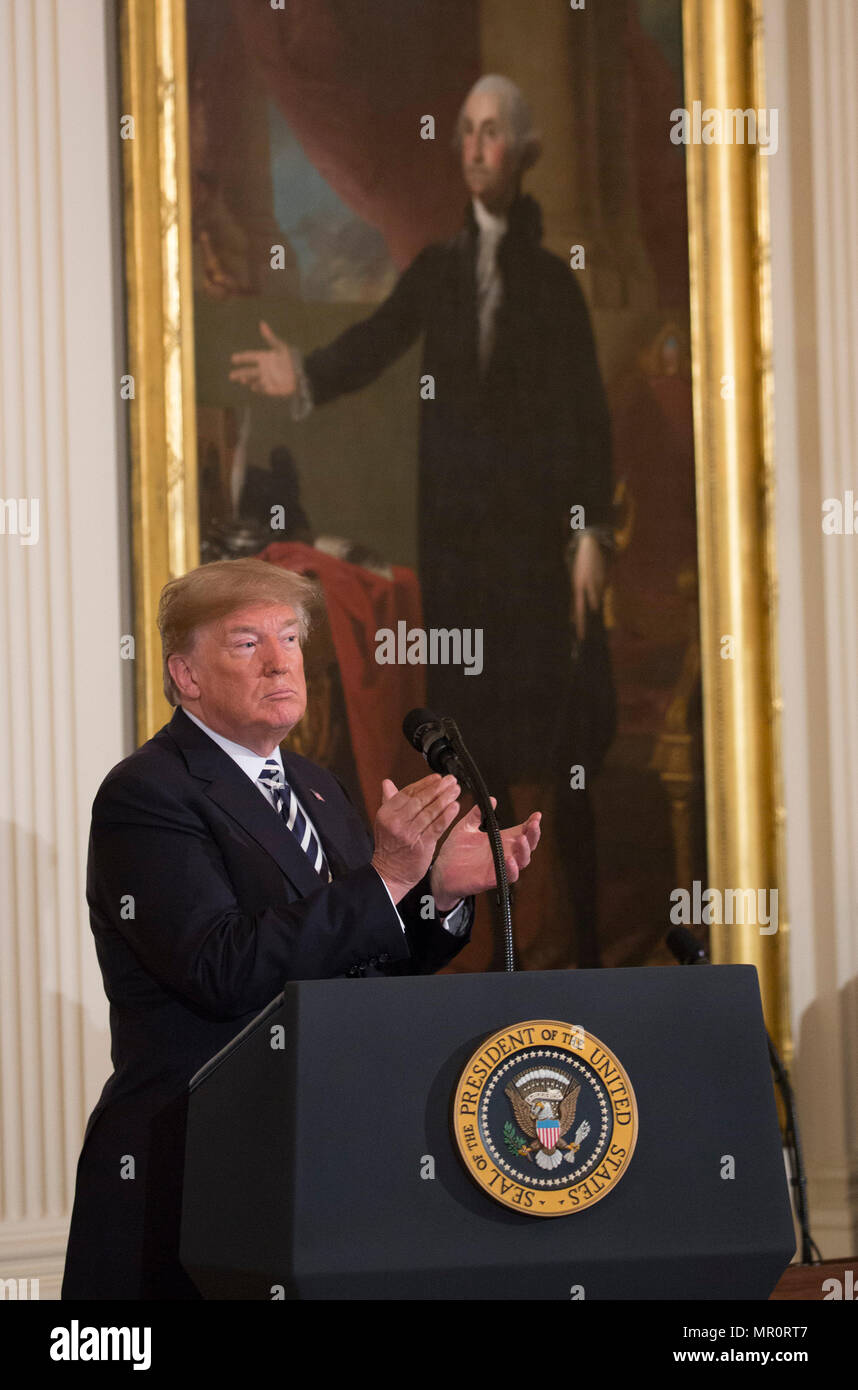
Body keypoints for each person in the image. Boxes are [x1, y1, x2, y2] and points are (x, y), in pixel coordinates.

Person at [62, 558, 541, 1300]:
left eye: (290, 638)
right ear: (185, 675)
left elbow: (361, 962)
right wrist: (386, 877)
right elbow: (221, 967)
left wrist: (433, 890)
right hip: (196, 1172)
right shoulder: (148, 794)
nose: (283, 661)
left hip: (325, 1160)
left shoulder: (315, 785)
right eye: (248, 643)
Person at [229, 74, 614, 965]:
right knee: (470, 740)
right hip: (460, 555)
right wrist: (307, 376)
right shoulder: (438, 271)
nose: (477, 147)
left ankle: (567, 946)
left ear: (523, 153)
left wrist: (588, 532)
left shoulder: (555, 289)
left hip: (531, 562)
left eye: (493, 133)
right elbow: (377, 339)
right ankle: (471, 943)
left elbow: (588, 420)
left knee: (544, 741)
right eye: (469, 132)